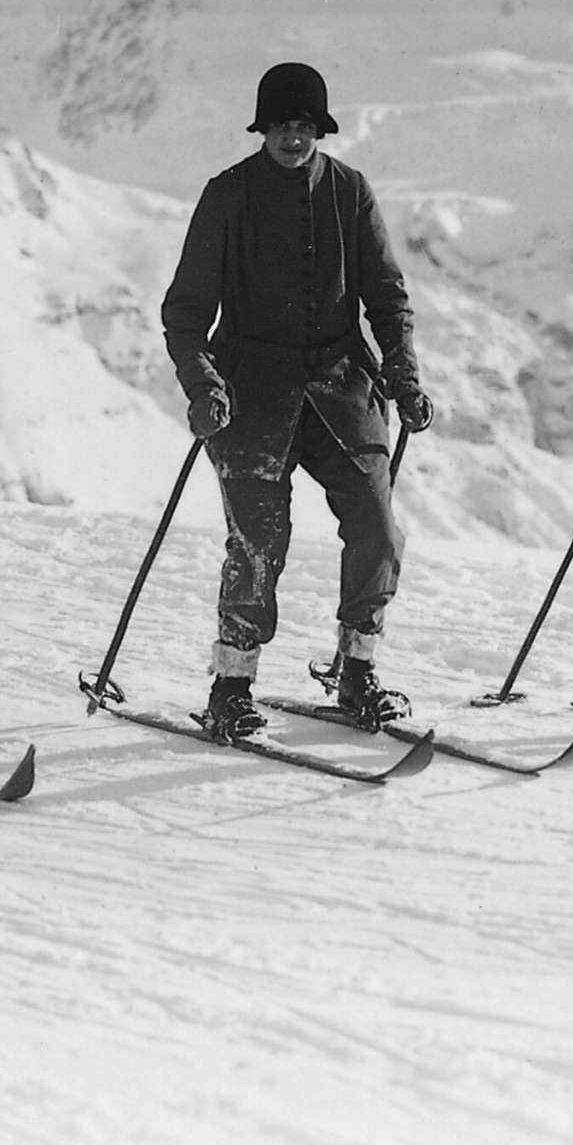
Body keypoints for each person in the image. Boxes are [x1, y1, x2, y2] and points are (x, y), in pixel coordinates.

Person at [161, 61, 433, 740]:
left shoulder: (352, 190)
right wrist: (203, 385)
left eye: (304, 126)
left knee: (376, 524)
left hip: (344, 387)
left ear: (319, 129)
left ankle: (358, 668)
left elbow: (388, 296)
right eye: (281, 125)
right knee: (258, 539)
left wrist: (404, 373)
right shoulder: (226, 197)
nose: (292, 137)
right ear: (263, 129)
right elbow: (185, 311)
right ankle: (232, 683)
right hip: (250, 392)